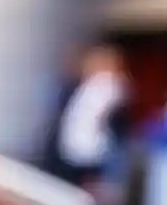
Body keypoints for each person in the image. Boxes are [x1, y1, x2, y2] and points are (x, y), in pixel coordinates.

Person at [51, 45, 130, 192]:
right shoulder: (83, 86)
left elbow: (107, 117)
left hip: (94, 149)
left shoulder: (108, 86)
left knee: (90, 187)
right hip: (75, 148)